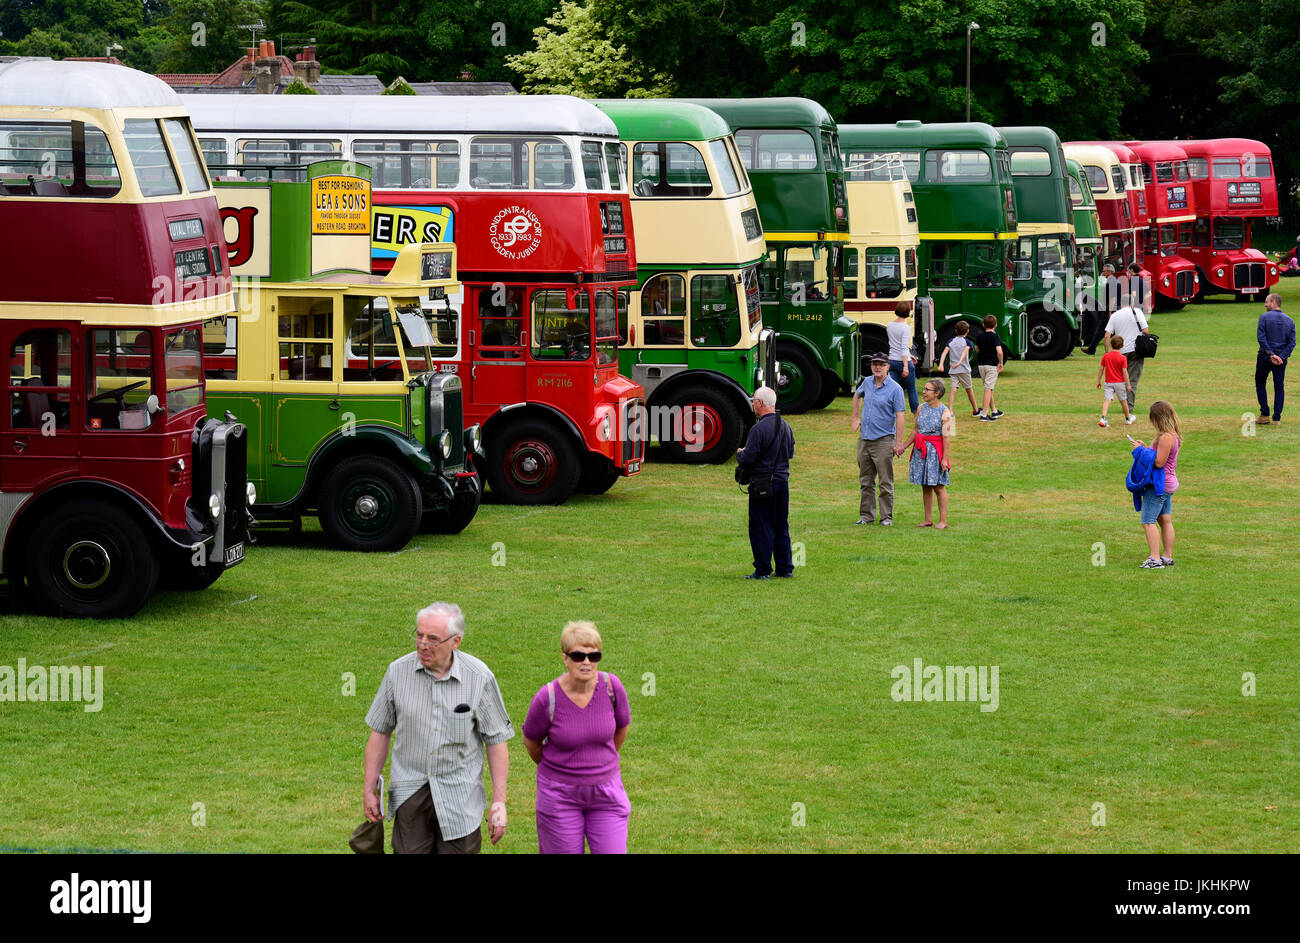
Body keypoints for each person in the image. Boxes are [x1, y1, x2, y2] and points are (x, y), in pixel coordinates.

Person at [363, 602, 514, 854]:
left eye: (433, 639)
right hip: (410, 795)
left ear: (456, 641)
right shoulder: (397, 672)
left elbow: (496, 739)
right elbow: (380, 731)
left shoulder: (479, 677)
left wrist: (499, 801)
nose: (422, 644)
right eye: (419, 635)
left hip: (460, 800)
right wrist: (369, 788)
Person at [522, 621, 631, 854]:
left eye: (594, 656)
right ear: (565, 658)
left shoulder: (612, 687)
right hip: (559, 796)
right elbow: (532, 743)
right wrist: (561, 769)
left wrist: (601, 763)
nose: (586, 662)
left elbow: (621, 729)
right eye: (579, 656)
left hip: (606, 794)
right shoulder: (547, 697)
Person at [735, 385, 795, 578]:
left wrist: (740, 454)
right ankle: (785, 568)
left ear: (760, 403)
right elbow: (790, 453)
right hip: (782, 482)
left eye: (754, 401)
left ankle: (762, 570)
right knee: (781, 526)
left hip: (762, 483)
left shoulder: (758, 429)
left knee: (761, 526)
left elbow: (748, 458)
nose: (753, 404)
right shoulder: (786, 426)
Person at [851, 352, 906, 526]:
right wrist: (855, 417)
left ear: (888, 367)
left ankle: (886, 518)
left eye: (881, 364)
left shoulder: (895, 389)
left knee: (885, 482)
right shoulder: (867, 382)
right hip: (864, 440)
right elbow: (857, 395)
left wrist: (899, 443)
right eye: (874, 364)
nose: (877, 367)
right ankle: (866, 516)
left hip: (883, 441)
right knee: (865, 482)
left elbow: (900, 416)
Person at [1131, 401, 1182, 568]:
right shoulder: (1172, 435)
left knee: (1148, 521)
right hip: (1168, 483)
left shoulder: (1166, 437)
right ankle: (1167, 556)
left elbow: (1159, 462)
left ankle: (1155, 559)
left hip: (1159, 484)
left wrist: (1140, 451)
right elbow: (1158, 455)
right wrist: (1146, 448)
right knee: (1164, 519)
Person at [900, 378, 953, 528]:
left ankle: (943, 521)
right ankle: (928, 519)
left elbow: (947, 437)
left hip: (935, 453)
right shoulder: (920, 408)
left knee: (939, 486)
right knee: (925, 485)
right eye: (924, 389)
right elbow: (916, 430)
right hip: (921, 450)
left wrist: (944, 459)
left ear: (937, 393)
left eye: (927, 389)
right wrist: (903, 447)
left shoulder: (946, 413)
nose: (923, 392)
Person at [1102, 292, 1150, 412]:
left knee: (1119, 379)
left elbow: (1107, 336)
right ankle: (1129, 407)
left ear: (1121, 303)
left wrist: (1107, 353)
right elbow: (1146, 330)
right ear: (1132, 303)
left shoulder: (1115, 315)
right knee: (1132, 380)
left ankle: (1112, 401)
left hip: (1120, 351)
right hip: (1135, 350)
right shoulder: (1137, 312)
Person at [1255, 292, 1295, 424]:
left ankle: (1264, 414)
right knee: (1279, 386)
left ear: (1273, 302)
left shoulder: (1264, 317)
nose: (1265, 305)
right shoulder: (1290, 321)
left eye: (1267, 302)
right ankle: (1277, 418)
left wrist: (1271, 354)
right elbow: (1292, 343)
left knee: (1260, 382)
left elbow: (1261, 338)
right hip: (1281, 360)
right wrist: (1281, 357)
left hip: (1265, 357)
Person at [938, 320, 978, 417]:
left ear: (955, 331)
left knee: (953, 390)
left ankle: (950, 411)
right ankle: (975, 410)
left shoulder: (950, 342)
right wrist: (960, 362)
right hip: (964, 370)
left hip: (953, 370)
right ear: (968, 331)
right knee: (969, 390)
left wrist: (941, 364)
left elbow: (944, 353)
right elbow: (965, 352)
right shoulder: (968, 342)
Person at [886, 300, 919, 413]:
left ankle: (890, 412)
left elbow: (894, 344)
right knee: (911, 389)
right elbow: (904, 347)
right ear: (908, 312)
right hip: (904, 362)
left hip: (892, 360)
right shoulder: (905, 327)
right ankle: (915, 413)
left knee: (891, 390)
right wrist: (905, 366)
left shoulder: (890, 325)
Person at [1096, 335, 1134, 427]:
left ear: (1111, 345)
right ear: (1122, 346)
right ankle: (1128, 419)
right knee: (1123, 401)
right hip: (1120, 383)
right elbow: (1125, 372)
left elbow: (1101, 369)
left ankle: (1103, 418)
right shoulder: (1123, 358)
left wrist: (1099, 381)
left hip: (1108, 382)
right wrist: (1128, 384)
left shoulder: (1106, 356)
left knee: (1107, 400)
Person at [974, 315, 1004, 421]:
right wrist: (1001, 363)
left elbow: (976, 348)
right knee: (988, 388)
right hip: (991, 365)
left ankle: (994, 411)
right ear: (996, 325)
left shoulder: (979, 336)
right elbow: (999, 352)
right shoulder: (995, 337)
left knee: (989, 388)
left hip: (981, 365)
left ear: (983, 325)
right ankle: (984, 414)